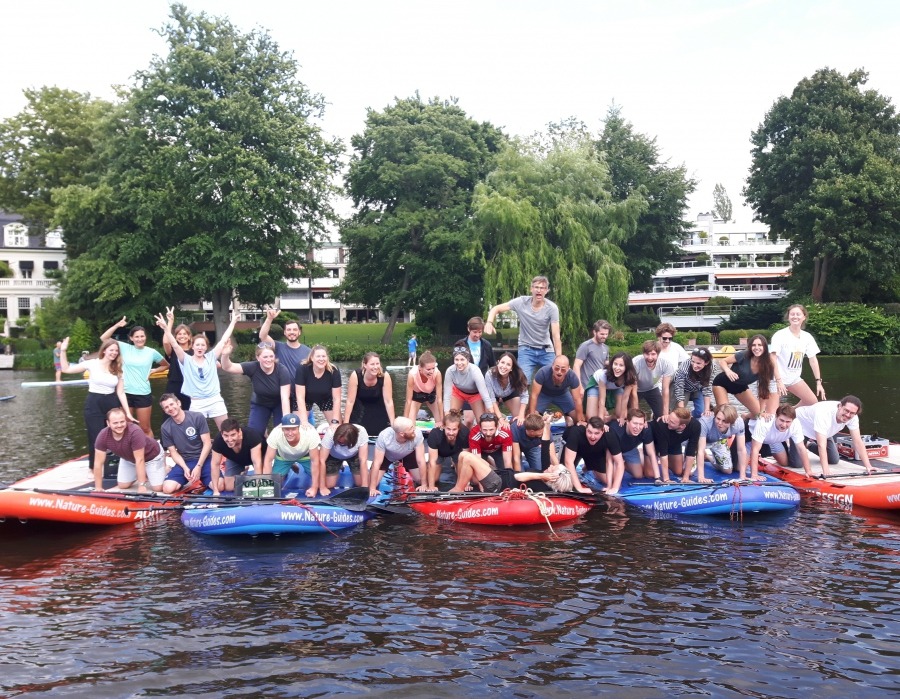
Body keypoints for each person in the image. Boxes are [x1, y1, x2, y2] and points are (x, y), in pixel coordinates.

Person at [155, 308, 238, 430]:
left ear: (206, 347)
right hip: (197, 402)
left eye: (203, 345)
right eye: (197, 344)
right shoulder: (186, 359)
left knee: (226, 429)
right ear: (192, 346)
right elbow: (173, 344)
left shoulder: (211, 357)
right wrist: (166, 328)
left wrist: (233, 322)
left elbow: (223, 339)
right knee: (196, 433)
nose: (200, 347)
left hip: (215, 399)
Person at [58, 336, 133, 468]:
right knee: (96, 436)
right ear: (104, 350)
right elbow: (66, 369)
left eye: (116, 351)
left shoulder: (118, 368)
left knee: (117, 433)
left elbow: (121, 392)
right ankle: (94, 467)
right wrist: (63, 351)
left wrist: (127, 413)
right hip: (94, 402)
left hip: (111, 402)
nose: (114, 353)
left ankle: (119, 465)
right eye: (111, 350)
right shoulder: (92, 363)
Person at [483, 275, 562, 382]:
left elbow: (556, 336)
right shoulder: (521, 302)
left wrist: (559, 358)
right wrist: (489, 322)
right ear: (531, 289)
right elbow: (496, 308)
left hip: (546, 349)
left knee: (556, 379)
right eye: (536, 287)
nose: (539, 290)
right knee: (522, 382)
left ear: (546, 291)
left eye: (542, 288)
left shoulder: (552, 308)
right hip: (526, 349)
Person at [100, 318, 167, 438]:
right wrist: (117, 325)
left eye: (142, 336)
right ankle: (128, 453)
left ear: (145, 337)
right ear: (131, 338)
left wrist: (154, 371)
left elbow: (166, 365)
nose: (140, 339)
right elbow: (104, 338)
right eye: (136, 336)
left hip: (143, 393)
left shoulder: (151, 352)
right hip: (125, 393)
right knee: (126, 426)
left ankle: (151, 453)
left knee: (145, 427)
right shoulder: (124, 348)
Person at [792, 396, 875, 478]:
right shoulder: (824, 413)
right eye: (846, 410)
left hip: (824, 432)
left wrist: (868, 466)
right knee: (797, 463)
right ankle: (788, 441)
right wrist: (826, 471)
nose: (848, 415)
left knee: (833, 459)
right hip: (801, 428)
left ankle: (809, 445)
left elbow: (857, 441)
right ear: (839, 406)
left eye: (852, 413)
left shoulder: (853, 418)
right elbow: (822, 446)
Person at [220, 341, 291, 434]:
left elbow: (285, 398)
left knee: (282, 432)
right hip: (260, 403)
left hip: (279, 404)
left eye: (271, 356)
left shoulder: (282, 370)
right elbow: (228, 367)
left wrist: (286, 421)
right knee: (253, 434)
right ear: (258, 358)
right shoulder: (252, 367)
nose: (268, 360)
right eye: (265, 357)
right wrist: (225, 355)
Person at [92, 407, 166, 492]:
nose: (119, 425)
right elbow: (98, 463)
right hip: (129, 459)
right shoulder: (103, 435)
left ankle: (165, 468)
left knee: (158, 488)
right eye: (115, 423)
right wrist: (98, 487)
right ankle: (145, 472)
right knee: (123, 485)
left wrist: (142, 485)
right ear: (108, 423)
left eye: (122, 422)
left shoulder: (135, 431)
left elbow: (140, 459)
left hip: (152, 456)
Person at [770, 304, 825, 407]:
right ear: (788, 317)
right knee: (771, 414)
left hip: (794, 378)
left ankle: (791, 412)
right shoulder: (780, 335)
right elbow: (772, 358)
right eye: (792, 314)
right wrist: (779, 381)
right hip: (775, 379)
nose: (795, 316)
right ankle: (747, 416)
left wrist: (818, 382)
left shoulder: (807, 337)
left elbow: (813, 360)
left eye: (798, 314)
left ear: (804, 317)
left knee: (812, 403)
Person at [159, 393, 214, 494]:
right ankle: (184, 480)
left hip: (204, 459)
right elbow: (173, 452)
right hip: (185, 461)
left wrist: (199, 466)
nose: (170, 408)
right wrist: (185, 468)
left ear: (178, 403)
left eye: (172, 404)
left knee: (219, 485)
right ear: (164, 411)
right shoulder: (165, 427)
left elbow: (207, 443)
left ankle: (204, 480)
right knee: (167, 489)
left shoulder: (197, 417)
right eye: (166, 407)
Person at [712, 334, 777, 420]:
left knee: (758, 415)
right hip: (722, 383)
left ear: (765, 347)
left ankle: (744, 417)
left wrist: (761, 411)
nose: (756, 348)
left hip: (740, 386)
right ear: (750, 347)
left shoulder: (767, 365)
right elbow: (723, 361)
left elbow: (763, 390)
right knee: (725, 414)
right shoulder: (744, 355)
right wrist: (728, 371)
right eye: (754, 345)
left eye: (760, 345)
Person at [259, 307, 312, 412]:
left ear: (299, 332)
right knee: (285, 425)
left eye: (294, 329)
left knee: (305, 425)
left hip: (301, 397)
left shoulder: (308, 352)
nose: (292, 332)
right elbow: (263, 336)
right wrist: (269, 319)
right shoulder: (278, 346)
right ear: (284, 332)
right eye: (288, 330)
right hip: (282, 396)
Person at [746, 404, 813, 481]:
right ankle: (746, 415)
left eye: (788, 422)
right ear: (776, 417)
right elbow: (755, 449)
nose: (784, 425)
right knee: (738, 467)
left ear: (793, 420)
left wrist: (808, 471)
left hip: (772, 439)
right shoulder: (765, 422)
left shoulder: (796, 424)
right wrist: (754, 475)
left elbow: (801, 448)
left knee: (784, 463)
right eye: (781, 420)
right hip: (751, 435)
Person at [263, 414, 322, 496]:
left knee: (321, 482)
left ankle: (293, 465)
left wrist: (314, 488)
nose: (290, 433)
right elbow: (268, 461)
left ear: (299, 428)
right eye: (287, 429)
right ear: (282, 429)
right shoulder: (275, 434)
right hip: (284, 457)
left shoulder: (310, 433)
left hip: (305, 455)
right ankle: (288, 468)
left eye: (293, 429)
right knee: (274, 485)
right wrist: (266, 487)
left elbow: (314, 461)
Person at [367, 417, 426, 496]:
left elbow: (421, 460)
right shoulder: (384, 436)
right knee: (371, 483)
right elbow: (377, 463)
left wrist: (424, 484)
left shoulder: (417, 434)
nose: (414, 429)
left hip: (408, 454)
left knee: (420, 480)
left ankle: (414, 474)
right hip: (387, 455)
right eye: (411, 428)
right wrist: (372, 488)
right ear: (402, 433)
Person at [564, 417, 623, 494]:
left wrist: (614, 488)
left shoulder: (609, 434)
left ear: (602, 431)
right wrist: (580, 488)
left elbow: (619, 462)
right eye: (589, 432)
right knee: (564, 479)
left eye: (596, 433)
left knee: (611, 479)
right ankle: (586, 465)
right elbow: (568, 462)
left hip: (593, 452)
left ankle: (589, 467)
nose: (592, 436)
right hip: (576, 450)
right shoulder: (576, 432)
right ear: (586, 429)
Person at [344, 351, 396, 437]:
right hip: (360, 414)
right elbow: (350, 401)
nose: (375, 367)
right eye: (372, 364)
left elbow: (388, 401)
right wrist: (345, 423)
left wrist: (393, 423)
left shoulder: (385, 376)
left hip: (379, 413)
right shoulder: (356, 375)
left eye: (377, 364)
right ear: (365, 365)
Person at [512, 413, 569, 489]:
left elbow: (552, 455)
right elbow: (516, 458)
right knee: (521, 475)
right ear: (532, 431)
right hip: (516, 446)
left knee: (540, 472)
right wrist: (518, 481)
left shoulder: (544, 429)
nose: (542, 434)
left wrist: (558, 473)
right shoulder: (516, 428)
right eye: (540, 433)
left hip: (533, 447)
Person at [693, 404, 746, 483]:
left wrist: (742, 476)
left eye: (724, 421)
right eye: (718, 419)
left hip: (718, 440)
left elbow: (741, 450)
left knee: (728, 470)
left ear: (732, 422)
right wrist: (701, 477)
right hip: (698, 440)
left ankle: (707, 457)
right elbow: (701, 450)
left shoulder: (738, 423)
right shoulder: (705, 421)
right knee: (689, 472)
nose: (720, 423)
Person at [443, 345, 494, 427]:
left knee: (480, 421)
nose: (459, 363)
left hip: (475, 395)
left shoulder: (475, 371)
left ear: (468, 360)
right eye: (456, 360)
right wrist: (446, 414)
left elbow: (485, 395)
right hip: (458, 393)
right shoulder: (450, 371)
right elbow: (447, 395)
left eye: (462, 359)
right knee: (452, 418)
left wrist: (492, 412)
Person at [210, 419, 264, 495]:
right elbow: (215, 464)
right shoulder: (218, 440)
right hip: (236, 459)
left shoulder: (251, 435)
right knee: (229, 487)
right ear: (222, 434)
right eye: (226, 435)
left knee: (267, 483)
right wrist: (215, 491)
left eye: (233, 435)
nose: (229, 439)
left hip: (258, 457)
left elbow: (256, 463)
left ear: (239, 433)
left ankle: (245, 473)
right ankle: (243, 472)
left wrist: (258, 487)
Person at [528, 355, 586, 425]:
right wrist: (532, 416)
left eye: (563, 370)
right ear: (552, 366)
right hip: (543, 394)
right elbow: (534, 395)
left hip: (563, 394)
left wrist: (579, 420)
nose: (559, 372)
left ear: (568, 369)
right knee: (533, 418)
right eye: (556, 368)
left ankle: (567, 417)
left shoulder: (572, 377)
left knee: (577, 417)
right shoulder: (542, 373)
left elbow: (577, 400)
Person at [295, 344, 343, 428]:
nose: (321, 359)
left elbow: (336, 398)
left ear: (327, 358)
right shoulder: (302, 369)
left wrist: (335, 421)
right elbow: (300, 397)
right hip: (306, 398)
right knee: (298, 426)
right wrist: (304, 421)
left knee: (339, 428)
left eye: (323, 356)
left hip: (326, 398)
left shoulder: (334, 370)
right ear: (312, 358)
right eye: (318, 356)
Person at [424, 409, 470, 491]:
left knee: (464, 475)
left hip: (457, 452)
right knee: (434, 479)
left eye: (454, 429)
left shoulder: (465, 433)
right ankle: (441, 466)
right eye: (448, 429)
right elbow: (432, 462)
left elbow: (466, 461)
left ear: (459, 428)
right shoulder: (435, 434)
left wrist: (466, 483)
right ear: (443, 426)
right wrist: (431, 486)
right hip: (440, 453)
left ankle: (455, 462)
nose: (451, 433)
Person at [652, 407, 701, 482]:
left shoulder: (695, 426)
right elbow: (663, 454)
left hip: (674, 443)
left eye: (672, 422)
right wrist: (667, 479)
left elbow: (691, 452)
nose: (668, 422)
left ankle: (663, 461)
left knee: (678, 471)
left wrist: (686, 477)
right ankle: (646, 455)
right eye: (669, 418)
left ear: (682, 426)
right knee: (649, 473)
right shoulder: (663, 424)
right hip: (655, 444)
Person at [573, 320, 611, 416]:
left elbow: (606, 365)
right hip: (586, 387)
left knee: (603, 414)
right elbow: (576, 366)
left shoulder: (606, 348)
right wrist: (579, 387)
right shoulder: (586, 346)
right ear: (594, 332)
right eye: (602, 334)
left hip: (600, 386)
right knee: (583, 415)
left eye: (606, 334)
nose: (604, 336)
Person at [608, 408, 660, 480]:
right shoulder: (615, 429)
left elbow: (651, 453)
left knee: (638, 475)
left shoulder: (646, 429)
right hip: (612, 452)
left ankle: (626, 463)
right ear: (628, 422)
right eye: (635, 423)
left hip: (629, 450)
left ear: (644, 423)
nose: (637, 427)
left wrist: (658, 477)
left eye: (641, 424)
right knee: (612, 476)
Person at [632, 340, 675, 420]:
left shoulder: (666, 364)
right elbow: (634, 391)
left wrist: (665, 414)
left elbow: (665, 389)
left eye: (653, 354)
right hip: (636, 390)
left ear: (658, 354)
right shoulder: (635, 363)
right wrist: (636, 414)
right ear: (643, 353)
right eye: (647, 354)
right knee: (631, 415)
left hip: (652, 388)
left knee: (662, 416)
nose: (650, 357)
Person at [161, 307, 194, 410]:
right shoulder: (173, 351)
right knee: (170, 412)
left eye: (185, 334)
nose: (182, 336)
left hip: (190, 385)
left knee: (189, 413)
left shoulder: (194, 351)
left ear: (189, 336)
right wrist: (170, 322)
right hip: (174, 385)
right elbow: (166, 342)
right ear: (175, 337)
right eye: (179, 334)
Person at [591, 352, 637, 424]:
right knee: (592, 417)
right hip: (596, 385)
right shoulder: (603, 374)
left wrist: (622, 418)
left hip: (615, 387)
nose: (617, 368)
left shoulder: (631, 377)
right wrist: (601, 422)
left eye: (621, 365)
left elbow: (625, 397)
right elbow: (602, 400)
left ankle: (610, 417)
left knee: (622, 415)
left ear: (627, 367)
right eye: (615, 364)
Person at [484, 352, 528, 426]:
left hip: (510, 394)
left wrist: (521, 415)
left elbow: (525, 396)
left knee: (519, 420)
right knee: (490, 416)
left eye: (508, 364)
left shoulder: (518, 375)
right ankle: (501, 418)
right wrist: (500, 418)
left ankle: (509, 425)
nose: (504, 366)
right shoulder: (489, 374)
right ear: (498, 363)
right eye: (502, 362)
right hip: (494, 396)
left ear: (511, 368)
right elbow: (491, 399)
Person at [321, 422, 370, 489]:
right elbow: (321, 460)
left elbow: (363, 460)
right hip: (333, 455)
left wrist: (365, 486)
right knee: (329, 485)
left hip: (354, 455)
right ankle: (337, 468)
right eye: (339, 442)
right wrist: (322, 487)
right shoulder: (330, 433)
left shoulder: (361, 432)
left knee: (360, 483)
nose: (341, 443)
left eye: (343, 443)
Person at [673, 347, 715, 419]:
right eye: (692, 361)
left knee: (701, 412)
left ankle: (689, 418)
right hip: (683, 388)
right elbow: (679, 388)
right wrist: (682, 409)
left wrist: (707, 409)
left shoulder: (712, 367)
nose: (695, 365)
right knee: (678, 412)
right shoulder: (684, 366)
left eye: (698, 363)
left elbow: (707, 388)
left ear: (706, 363)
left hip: (697, 388)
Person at [404, 351, 444, 426]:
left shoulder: (437, 374)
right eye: (428, 369)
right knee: (410, 425)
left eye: (433, 368)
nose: (431, 371)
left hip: (431, 395)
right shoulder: (412, 375)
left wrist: (442, 421)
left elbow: (439, 399)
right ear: (420, 368)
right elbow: (408, 401)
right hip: (416, 396)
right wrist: (404, 423)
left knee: (439, 423)